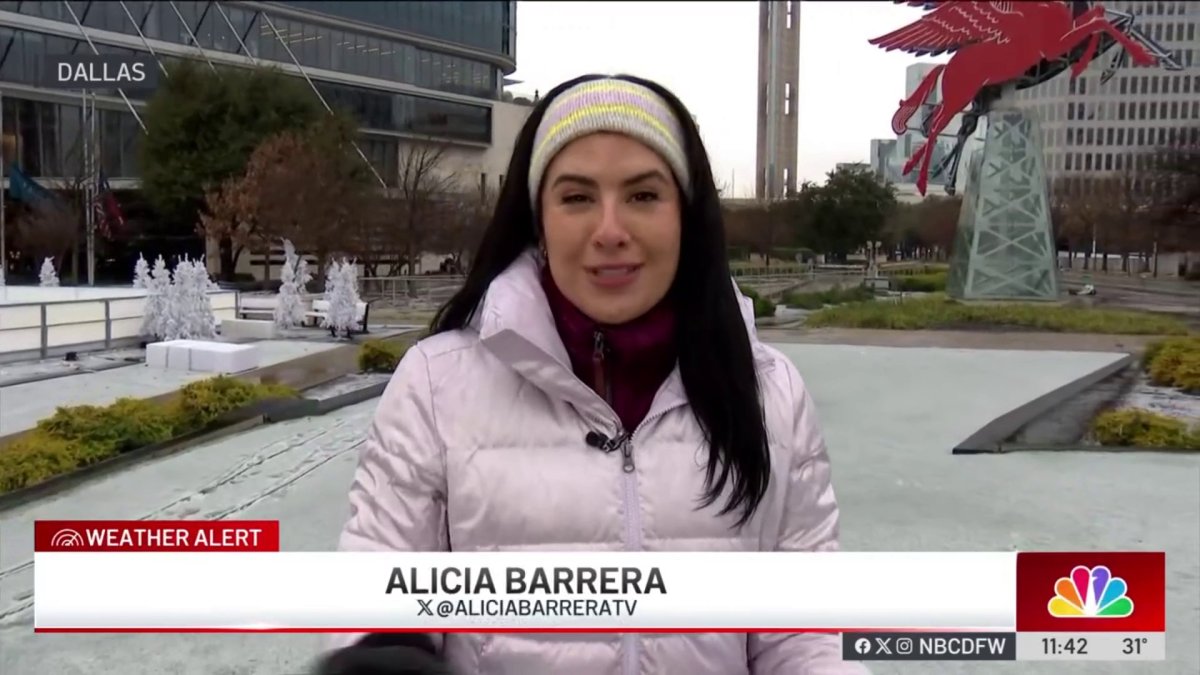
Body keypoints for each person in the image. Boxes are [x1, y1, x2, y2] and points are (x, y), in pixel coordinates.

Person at [316, 73, 866, 675]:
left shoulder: (770, 392)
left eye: (643, 196)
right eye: (577, 198)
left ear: (685, 215)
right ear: (539, 221)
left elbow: (804, 631)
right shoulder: (435, 384)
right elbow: (377, 597)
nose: (610, 231)